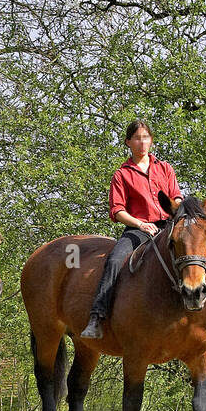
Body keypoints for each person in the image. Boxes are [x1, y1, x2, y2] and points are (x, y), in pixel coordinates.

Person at [81, 118, 181, 340]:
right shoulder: (121, 174)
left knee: (196, 254)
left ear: (151, 141)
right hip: (138, 230)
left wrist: (177, 211)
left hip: (167, 226)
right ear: (128, 142)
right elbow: (117, 211)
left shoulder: (165, 169)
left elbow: (176, 196)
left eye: (145, 137)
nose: (142, 142)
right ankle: (97, 317)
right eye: (137, 138)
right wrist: (141, 224)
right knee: (115, 259)